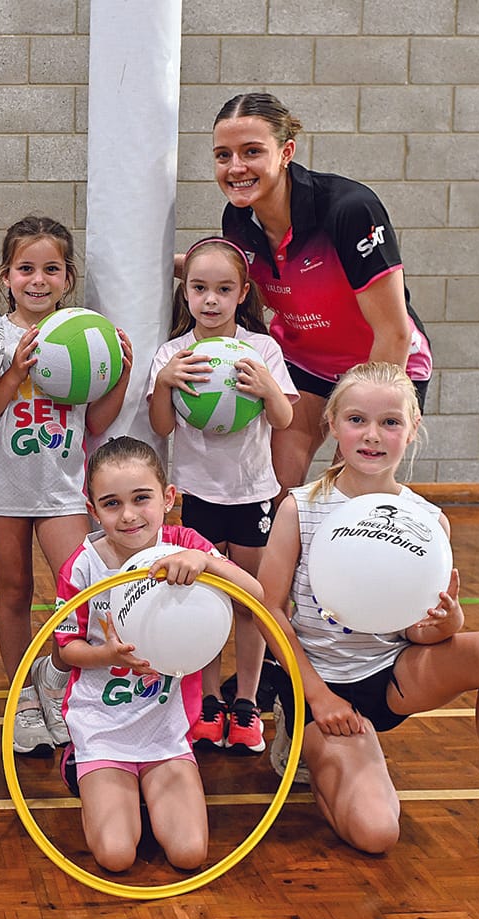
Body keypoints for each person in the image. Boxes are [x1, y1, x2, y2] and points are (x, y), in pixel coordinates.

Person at [257, 362, 479, 894]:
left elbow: (416, 629)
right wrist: (319, 698)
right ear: (332, 423)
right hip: (317, 684)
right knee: (376, 833)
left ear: (413, 427)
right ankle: (299, 737)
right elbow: (270, 613)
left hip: (390, 674)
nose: (372, 435)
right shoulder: (301, 509)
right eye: (356, 419)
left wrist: (448, 624)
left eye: (390, 422)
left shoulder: (427, 520)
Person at [201, 92, 434, 504]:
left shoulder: (349, 210)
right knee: (274, 492)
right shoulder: (236, 218)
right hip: (306, 363)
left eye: (251, 151)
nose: (236, 167)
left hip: (383, 362)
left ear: (286, 152)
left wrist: (361, 417)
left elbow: (394, 333)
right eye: (223, 155)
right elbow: (228, 275)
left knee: (351, 497)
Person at [51, 437, 263, 872]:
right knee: (115, 856)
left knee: (189, 854)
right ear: (92, 509)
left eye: (141, 498)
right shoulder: (83, 565)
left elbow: (257, 596)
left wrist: (208, 561)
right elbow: (65, 650)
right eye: (111, 503)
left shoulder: (185, 542)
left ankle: (143, 791)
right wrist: (106, 654)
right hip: (103, 727)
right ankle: (84, 767)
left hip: (165, 729)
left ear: (168, 498)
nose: (128, 515)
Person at [0, 216, 132, 756]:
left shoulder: (85, 331)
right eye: (25, 269)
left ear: (68, 277)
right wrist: (13, 373)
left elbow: (101, 422)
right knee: (13, 591)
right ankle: (21, 699)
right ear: (6, 275)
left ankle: (63, 685)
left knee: (80, 593)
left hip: (63, 486)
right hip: (5, 485)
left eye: (51, 270)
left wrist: (122, 373)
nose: (37, 280)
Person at [148, 237, 297, 754]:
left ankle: (247, 703)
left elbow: (285, 419)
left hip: (253, 494)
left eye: (223, 289)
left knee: (252, 601)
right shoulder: (173, 352)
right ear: (184, 292)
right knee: (205, 598)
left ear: (242, 293)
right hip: (197, 496)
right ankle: (210, 701)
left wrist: (268, 389)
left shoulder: (263, 350)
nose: (210, 300)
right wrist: (164, 382)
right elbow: (161, 426)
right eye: (199, 288)